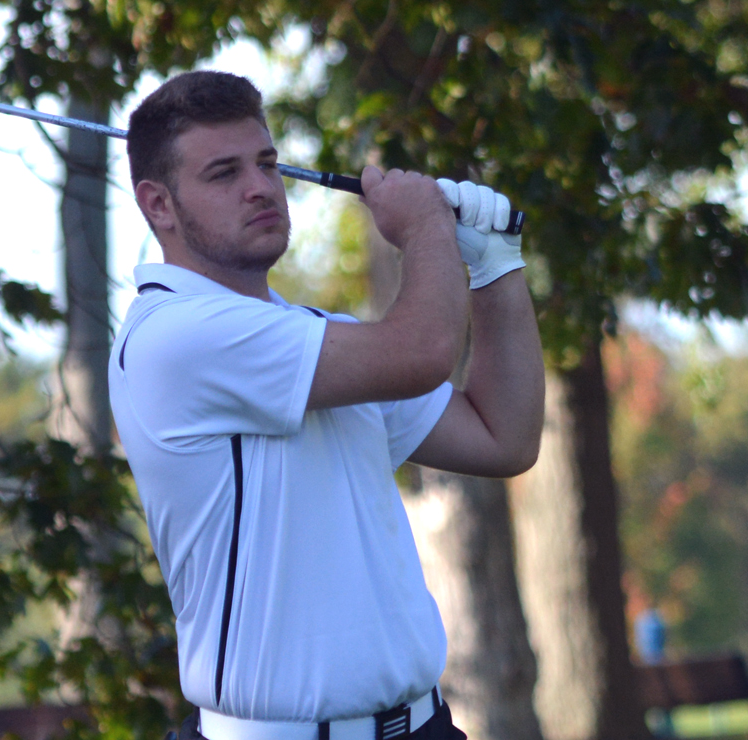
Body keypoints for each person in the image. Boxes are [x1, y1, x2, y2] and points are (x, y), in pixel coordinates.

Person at [107, 70, 544, 740]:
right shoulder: (174, 337)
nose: (259, 187)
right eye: (223, 173)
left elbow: (502, 438)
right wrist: (426, 226)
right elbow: (424, 349)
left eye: (267, 163)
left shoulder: (310, 339)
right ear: (158, 205)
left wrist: (495, 268)